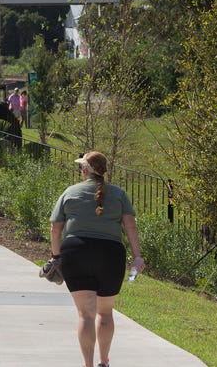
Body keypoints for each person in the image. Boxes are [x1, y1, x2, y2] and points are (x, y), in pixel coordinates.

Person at [49, 151, 144, 367]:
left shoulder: (70, 192)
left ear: (85, 170)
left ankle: (88, 365)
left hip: (76, 252)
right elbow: (130, 225)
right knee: (105, 312)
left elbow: (55, 228)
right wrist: (137, 256)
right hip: (110, 254)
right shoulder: (119, 194)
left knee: (85, 314)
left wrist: (56, 257)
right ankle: (104, 362)